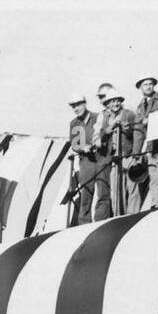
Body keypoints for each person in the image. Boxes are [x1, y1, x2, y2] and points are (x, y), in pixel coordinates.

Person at [93, 87, 139, 220]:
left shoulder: (129, 114)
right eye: (112, 102)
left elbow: (137, 132)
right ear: (107, 104)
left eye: (117, 101)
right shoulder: (104, 117)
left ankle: (133, 216)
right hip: (112, 158)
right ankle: (118, 217)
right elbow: (99, 135)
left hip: (127, 155)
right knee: (115, 188)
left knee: (132, 187)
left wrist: (127, 129)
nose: (115, 104)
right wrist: (110, 128)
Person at [132, 75, 158, 210]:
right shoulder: (140, 106)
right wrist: (136, 154)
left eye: (150, 84)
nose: (148, 86)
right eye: (145, 84)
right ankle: (155, 204)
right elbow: (138, 131)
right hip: (150, 146)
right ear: (140, 87)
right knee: (154, 176)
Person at [66, 91, 100, 225]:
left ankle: (102, 222)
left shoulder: (98, 117)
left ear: (84, 104)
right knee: (86, 193)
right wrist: (83, 148)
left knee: (103, 193)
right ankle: (84, 224)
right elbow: (75, 144)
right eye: (73, 106)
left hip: (102, 159)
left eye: (78, 105)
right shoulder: (74, 123)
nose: (76, 108)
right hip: (86, 161)